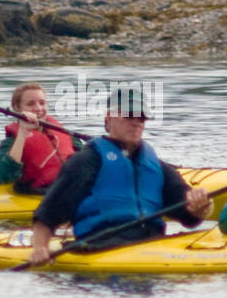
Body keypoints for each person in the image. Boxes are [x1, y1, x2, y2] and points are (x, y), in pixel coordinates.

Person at [28, 88, 212, 265]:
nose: (136, 122)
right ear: (109, 118)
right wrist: (40, 248)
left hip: (152, 245)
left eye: (141, 118)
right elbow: (48, 213)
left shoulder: (156, 165)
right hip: (101, 246)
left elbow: (188, 215)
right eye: (129, 116)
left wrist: (201, 207)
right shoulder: (85, 161)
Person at [0, 82, 83, 193]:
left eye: (42, 103)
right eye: (31, 104)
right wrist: (22, 132)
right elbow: (6, 176)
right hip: (42, 193)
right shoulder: (11, 142)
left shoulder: (65, 134)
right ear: (17, 107)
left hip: (71, 189)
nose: (38, 108)